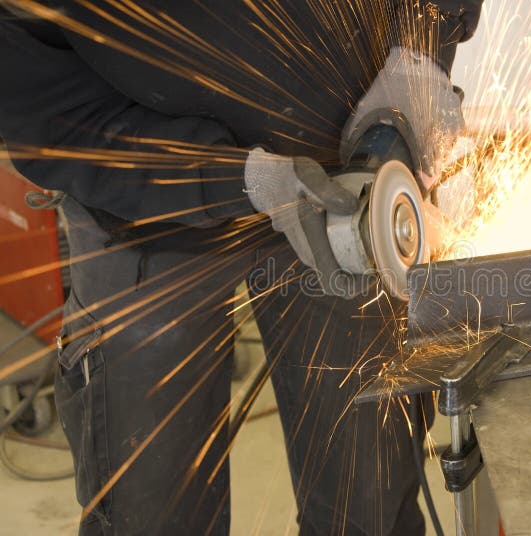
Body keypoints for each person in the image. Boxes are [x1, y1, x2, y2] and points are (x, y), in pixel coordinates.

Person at [0, 0, 481, 534]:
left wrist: (421, 58)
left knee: (367, 503)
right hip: (143, 205)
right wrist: (242, 181)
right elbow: (48, 113)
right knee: (151, 515)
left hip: (346, 178)